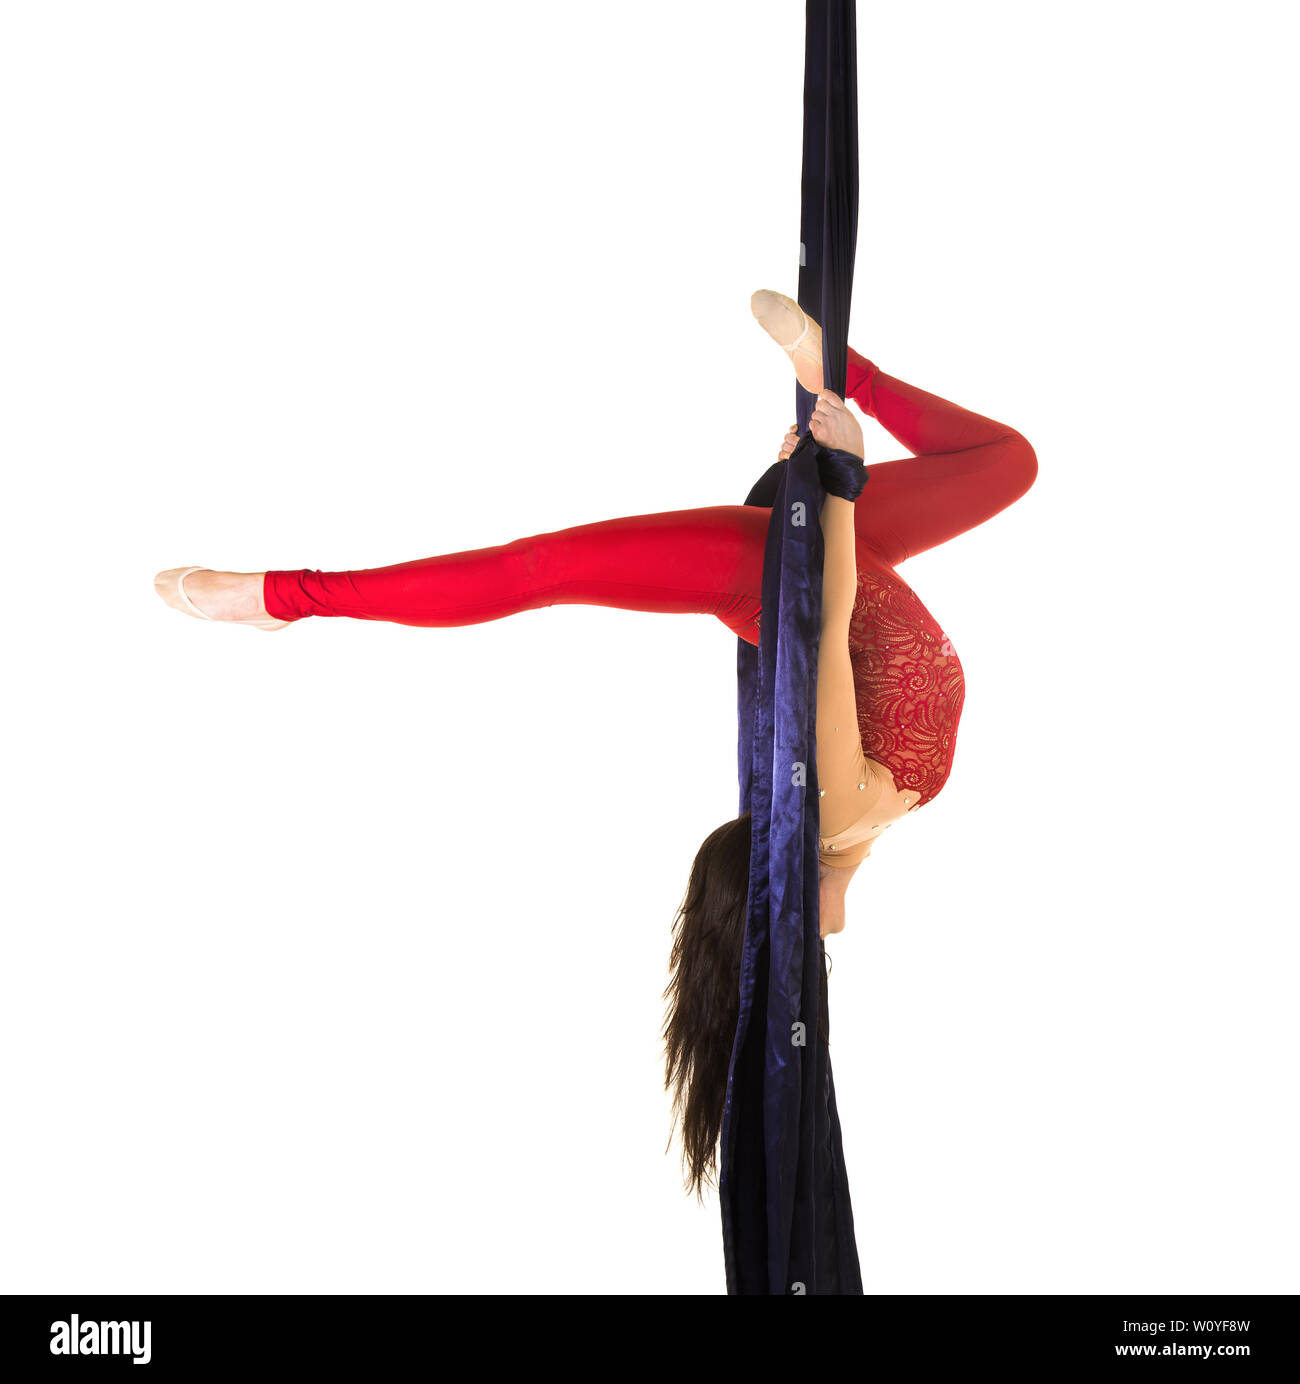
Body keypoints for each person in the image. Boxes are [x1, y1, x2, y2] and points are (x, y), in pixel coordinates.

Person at [155, 289, 1037, 1192]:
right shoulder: (855, 847)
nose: (825, 923)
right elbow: (825, 915)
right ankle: (838, 372)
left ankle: (283, 599)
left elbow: (831, 614)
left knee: (541, 569)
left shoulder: (835, 800)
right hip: (853, 554)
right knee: (1011, 464)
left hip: (774, 567)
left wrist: (837, 485)